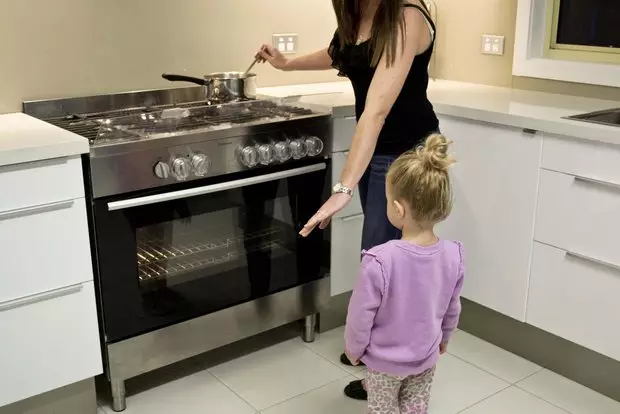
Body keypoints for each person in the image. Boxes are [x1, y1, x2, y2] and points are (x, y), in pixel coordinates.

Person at [257, 0, 439, 400]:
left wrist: (341, 189)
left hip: (408, 156)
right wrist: (286, 65)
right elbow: (342, 51)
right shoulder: (357, 14)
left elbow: (375, 111)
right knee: (379, 260)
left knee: (388, 268)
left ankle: (388, 373)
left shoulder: (407, 16)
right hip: (377, 153)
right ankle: (377, 354)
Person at [344, 134, 464, 413]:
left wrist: (354, 349)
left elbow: (360, 314)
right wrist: (444, 338)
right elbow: (452, 308)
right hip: (426, 356)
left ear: (397, 209)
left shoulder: (379, 260)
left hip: (384, 364)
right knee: (415, 408)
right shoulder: (453, 255)